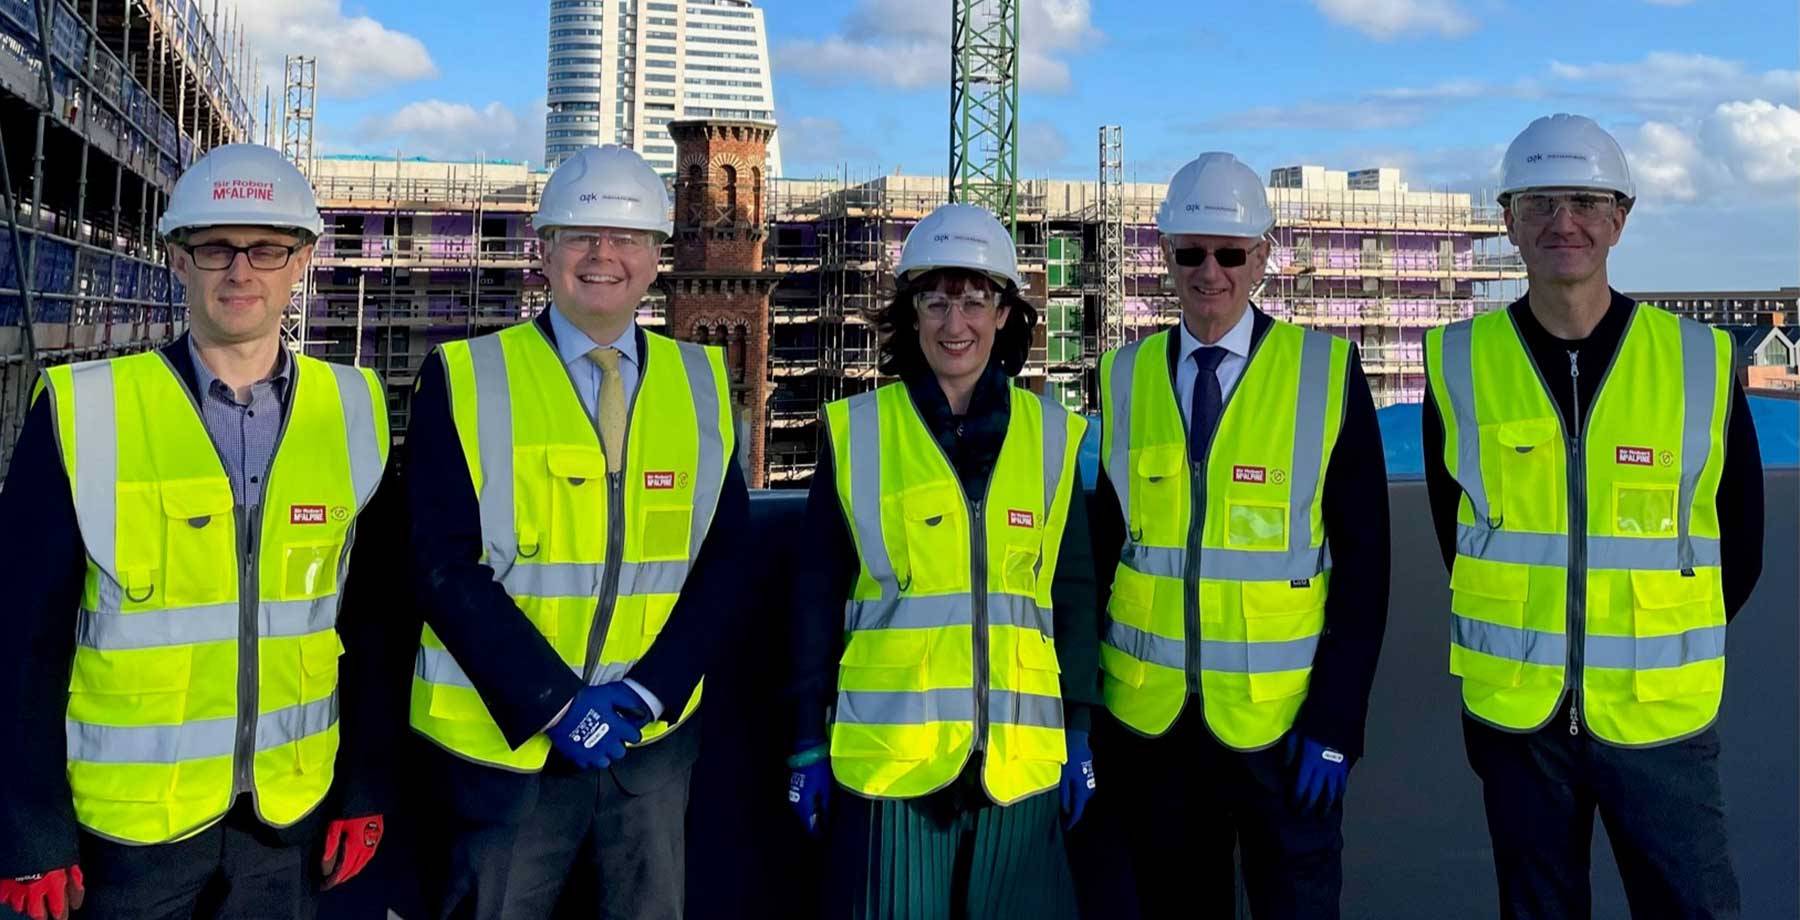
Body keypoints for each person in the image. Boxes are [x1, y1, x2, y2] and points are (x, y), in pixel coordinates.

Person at [0, 143, 394, 920]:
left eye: (267, 249)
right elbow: (20, 638)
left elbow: (375, 620)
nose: (240, 271)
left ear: (303, 261)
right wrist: (27, 830)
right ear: (177, 259)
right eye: (214, 247)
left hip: (287, 823)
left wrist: (366, 784)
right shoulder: (89, 410)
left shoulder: (355, 412)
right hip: (122, 836)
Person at [1422, 113, 1764, 920]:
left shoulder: (1700, 361)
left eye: (1584, 200)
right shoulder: (1458, 363)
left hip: (1660, 722)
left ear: (1621, 218)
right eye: (1538, 203)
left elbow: (1738, 546)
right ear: (1506, 219)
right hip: (1518, 719)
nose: (1562, 222)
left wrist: (1647, 639)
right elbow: (1459, 536)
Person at [402, 143, 748, 920]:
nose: (604, 256)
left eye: (626, 239)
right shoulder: (464, 375)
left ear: (658, 255)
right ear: (544, 252)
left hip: (649, 751)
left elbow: (724, 560)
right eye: (580, 237)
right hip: (503, 749)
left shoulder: (702, 383)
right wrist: (557, 703)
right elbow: (439, 565)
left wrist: (651, 692)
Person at [1089, 152, 1391, 919]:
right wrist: (1089, 717)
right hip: (1154, 731)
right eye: (1190, 252)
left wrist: (1335, 725)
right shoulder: (1122, 378)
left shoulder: (1324, 372)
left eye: (1230, 254)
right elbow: (1107, 551)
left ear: (1262, 256)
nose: (1209, 272)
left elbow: (1364, 568)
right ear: (1165, 256)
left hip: (1282, 735)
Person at [783, 202, 1100, 919]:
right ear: (911, 314)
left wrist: (1080, 728)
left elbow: (1072, 594)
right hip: (893, 772)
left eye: (975, 300)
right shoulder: (858, 433)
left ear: (1005, 313)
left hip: (1018, 771)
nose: (955, 324)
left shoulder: (1052, 440)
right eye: (935, 301)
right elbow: (816, 594)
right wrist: (805, 739)